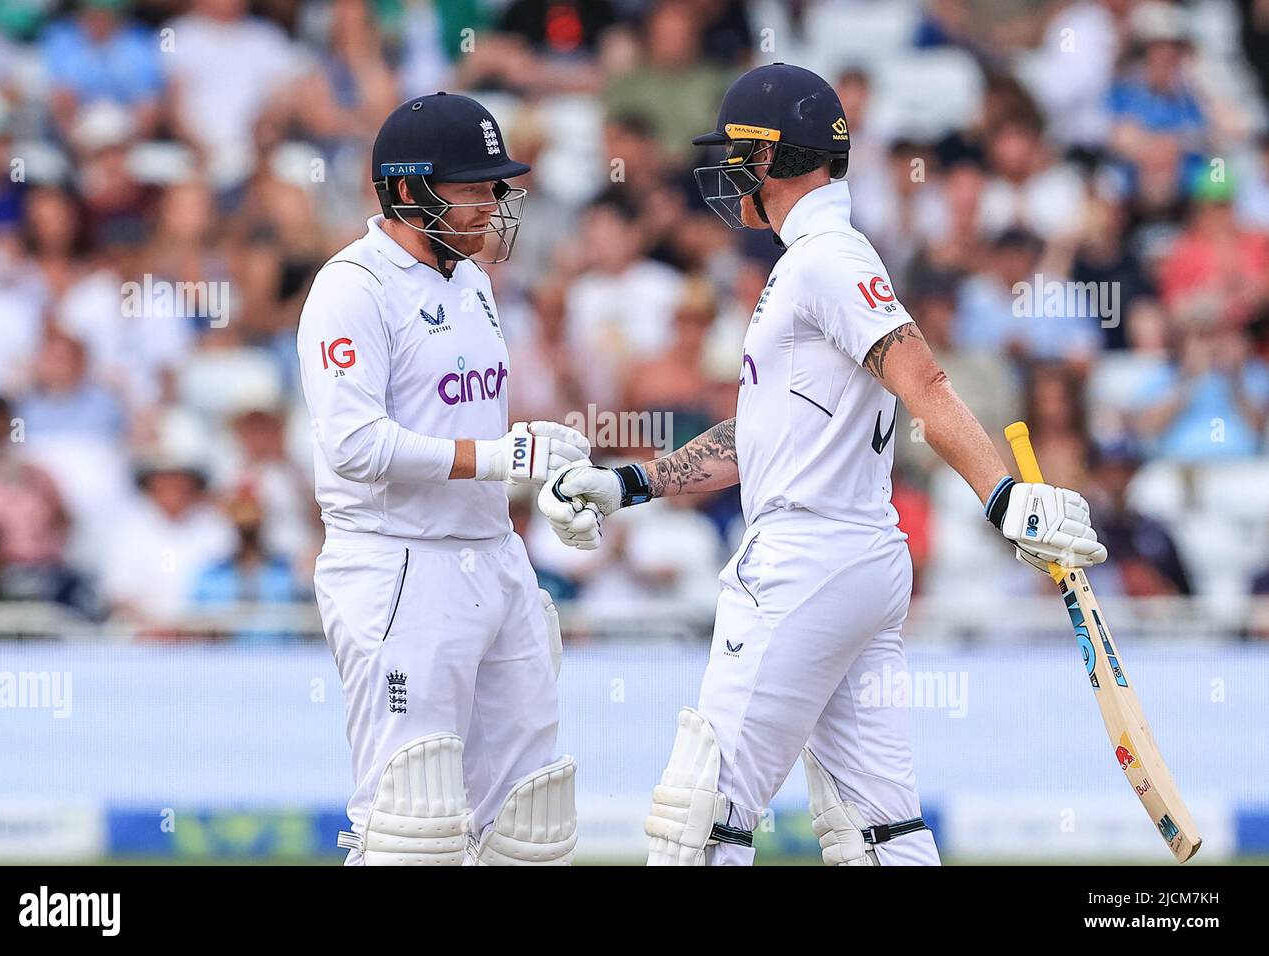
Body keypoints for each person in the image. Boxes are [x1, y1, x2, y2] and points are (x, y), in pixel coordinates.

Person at [538, 63, 1108, 866]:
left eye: (737, 150)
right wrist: (630, 481)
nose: (724, 169)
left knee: (702, 819)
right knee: (880, 832)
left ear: (771, 156)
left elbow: (927, 382)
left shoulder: (826, 259)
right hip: (856, 561)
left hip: (806, 561)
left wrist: (1005, 495)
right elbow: (757, 439)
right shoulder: (812, 260)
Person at [297, 92, 590, 866]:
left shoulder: (473, 284)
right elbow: (355, 443)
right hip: (399, 565)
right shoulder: (351, 288)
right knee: (412, 822)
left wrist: (547, 472)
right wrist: (497, 458)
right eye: (474, 186)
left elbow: (467, 423)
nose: (494, 202)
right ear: (407, 191)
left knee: (529, 826)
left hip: (493, 556)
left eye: (497, 185)